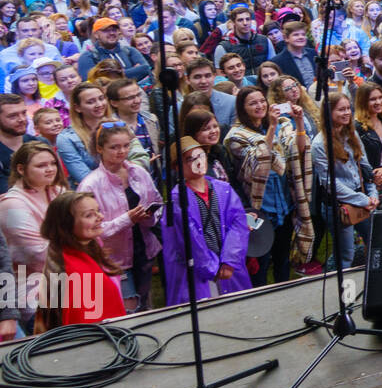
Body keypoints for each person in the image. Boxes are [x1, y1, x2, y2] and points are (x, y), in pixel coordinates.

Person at [224, 85, 314, 285]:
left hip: (284, 201)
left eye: (262, 101)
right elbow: (259, 162)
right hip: (260, 207)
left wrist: (299, 122)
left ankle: (284, 294)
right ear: (242, 108)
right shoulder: (235, 137)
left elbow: (299, 152)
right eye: (252, 103)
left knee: (283, 259)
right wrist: (272, 128)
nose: (259, 106)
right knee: (261, 264)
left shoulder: (283, 123)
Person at [77, 123, 162, 313]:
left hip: (144, 249)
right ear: (100, 149)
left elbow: (156, 202)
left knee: (146, 307)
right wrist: (127, 219)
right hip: (113, 258)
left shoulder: (138, 173)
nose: (121, 151)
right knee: (127, 309)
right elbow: (88, 231)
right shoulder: (90, 185)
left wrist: (149, 216)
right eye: (114, 147)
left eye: (126, 145)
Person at [160, 137, 252, 305]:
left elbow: (238, 224)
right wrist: (212, 268)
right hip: (199, 274)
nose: (198, 162)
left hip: (227, 268)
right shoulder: (178, 200)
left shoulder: (223, 189)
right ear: (177, 167)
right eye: (190, 159)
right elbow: (189, 239)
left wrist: (229, 261)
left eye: (200, 155)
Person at [0, 141, 66, 331]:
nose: (50, 169)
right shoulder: (11, 205)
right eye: (41, 165)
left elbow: (93, 233)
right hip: (35, 295)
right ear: (21, 169)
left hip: (72, 284)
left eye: (52, 163)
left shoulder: (58, 191)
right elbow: (39, 255)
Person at [36, 192, 126, 329]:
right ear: (66, 225)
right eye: (89, 215)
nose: (100, 217)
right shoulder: (76, 270)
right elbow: (83, 327)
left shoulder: (81, 249)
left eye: (98, 211)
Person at [312, 92, 378, 272]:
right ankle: (341, 292)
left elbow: (365, 167)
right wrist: (363, 200)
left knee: (375, 241)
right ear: (328, 113)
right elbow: (330, 183)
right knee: (345, 255)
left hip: (363, 198)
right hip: (339, 206)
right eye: (341, 109)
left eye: (348, 108)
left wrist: (372, 194)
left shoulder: (352, 134)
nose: (347, 113)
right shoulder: (319, 144)